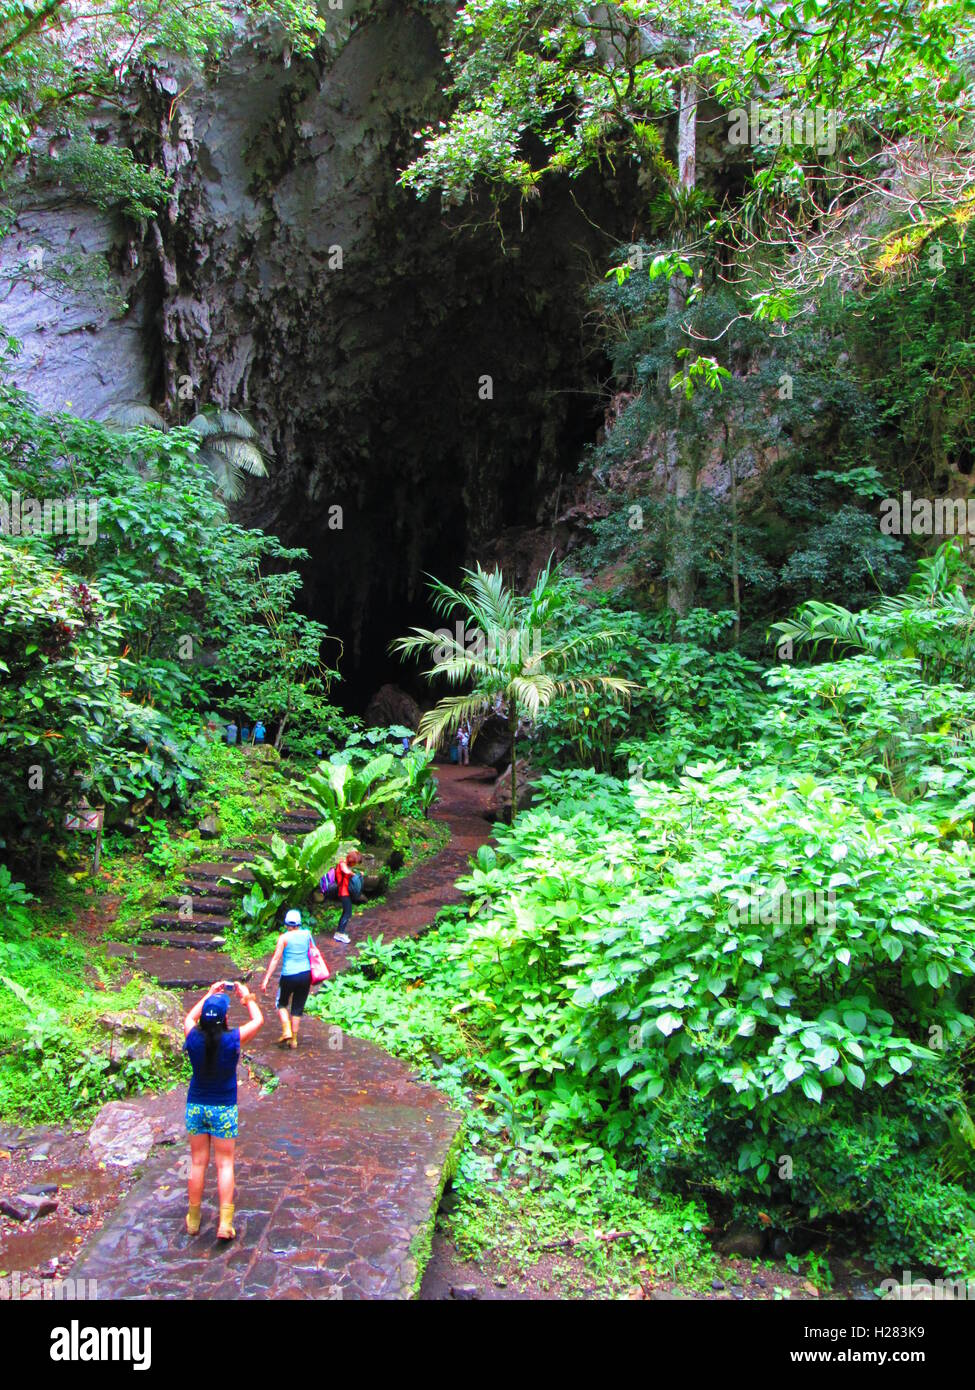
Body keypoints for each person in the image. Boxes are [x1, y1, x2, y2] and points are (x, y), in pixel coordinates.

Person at [183, 979, 263, 1241]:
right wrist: (247, 996)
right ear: (225, 1018)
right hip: (223, 1108)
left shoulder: (192, 1036)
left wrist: (208, 994)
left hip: (196, 1105)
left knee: (197, 1163)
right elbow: (258, 1021)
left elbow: (188, 1018)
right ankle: (225, 1223)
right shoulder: (232, 1040)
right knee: (224, 1164)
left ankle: (193, 1220)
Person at [261, 908, 315, 1049]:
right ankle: (294, 1041)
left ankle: (286, 1031)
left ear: (286, 924)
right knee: (297, 1007)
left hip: (289, 975)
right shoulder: (307, 934)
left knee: (281, 1003)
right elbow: (313, 952)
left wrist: (267, 978)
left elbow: (275, 959)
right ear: (299, 923)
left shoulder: (284, 938)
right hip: (305, 974)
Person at [333, 848, 362, 944]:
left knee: (346, 912)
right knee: (347, 913)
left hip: (346, 892)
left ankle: (339, 932)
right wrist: (355, 874)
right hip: (343, 892)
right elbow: (347, 872)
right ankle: (340, 934)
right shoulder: (342, 864)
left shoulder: (345, 865)